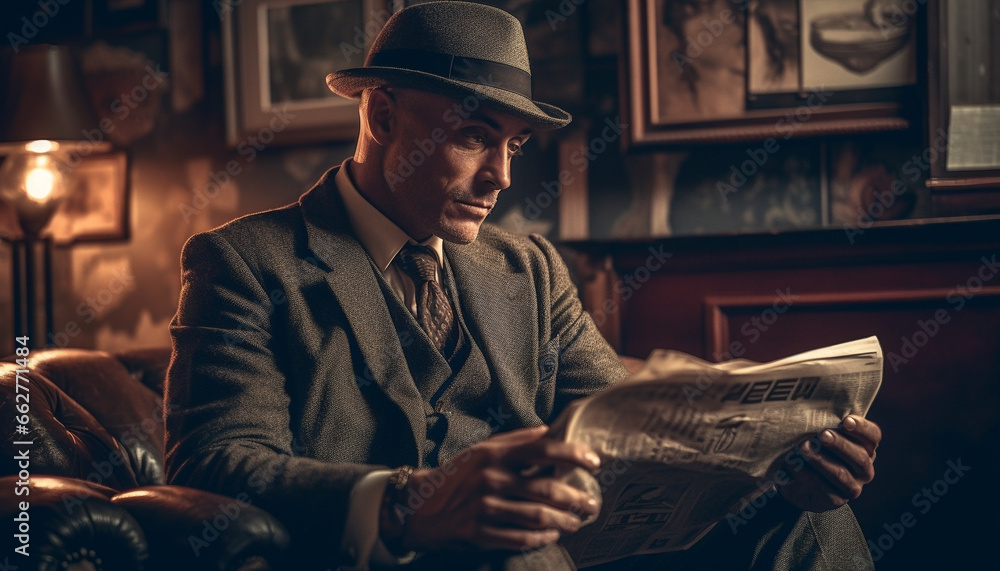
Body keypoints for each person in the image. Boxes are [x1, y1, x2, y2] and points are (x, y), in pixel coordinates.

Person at [164, 3, 881, 569]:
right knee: (522, 552)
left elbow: (627, 425)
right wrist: (410, 504)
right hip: (401, 556)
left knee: (809, 516)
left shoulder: (531, 269)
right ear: (383, 116)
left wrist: (771, 463)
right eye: (476, 136)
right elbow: (214, 461)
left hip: (566, 547)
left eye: (512, 146)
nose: (502, 178)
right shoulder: (245, 261)